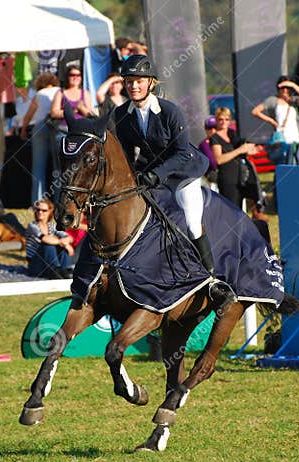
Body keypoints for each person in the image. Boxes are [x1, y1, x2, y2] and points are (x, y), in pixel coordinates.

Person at [113, 54, 235, 308]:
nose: (133, 86)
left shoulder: (170, 111)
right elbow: (126, 152)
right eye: (129, 81)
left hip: (183, 173)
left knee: (191, 223)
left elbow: (181, 153)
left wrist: (155, 174)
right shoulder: (122, 114)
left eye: (139, 81)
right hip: (152, 173)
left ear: (151, 83)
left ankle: (213, 281)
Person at [209, 107, 267, 220]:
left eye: (226, 119)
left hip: (241, 176)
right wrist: (239, 150)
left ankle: (256, 215)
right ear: (216, 120)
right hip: (227, 179)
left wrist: (256, 148)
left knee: (240, 210)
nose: (224, 122)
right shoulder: (215, 138)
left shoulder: (232, 133)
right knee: (231, 211)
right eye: (221, 119)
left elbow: (244, 152)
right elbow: (219, 159)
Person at [20, 73, 60, 203]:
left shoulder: (39, 94)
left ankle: (37, 201)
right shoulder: (59, 91)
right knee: (57, 167)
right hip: (56, 126)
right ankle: (58, 199)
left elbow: (28, 115)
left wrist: (23, 130)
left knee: (38, 167)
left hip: (40, 127)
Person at [252, 75, 299, 163]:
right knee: (285, 163)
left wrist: (293, 85)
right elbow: (255, 111)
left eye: (287, 88)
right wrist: (271, 121)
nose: (285, 90)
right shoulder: (273, 100)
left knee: (296, 162)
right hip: (282, 139)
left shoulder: (292, 101)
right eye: (282, 88)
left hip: (295, 137)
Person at [25, 198, 74, 279]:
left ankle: (66, 269)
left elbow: (69, 237)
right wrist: (64, 244)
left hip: (46, 264)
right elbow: (45, 239)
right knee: (48, 245)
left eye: (44, 210)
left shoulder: (52, 226)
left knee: (59, 245)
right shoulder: (32, 226)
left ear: (50, 212)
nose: (40, 212)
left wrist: (65, 242)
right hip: (35, 266)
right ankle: (54, 269)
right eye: (38, 210)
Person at [198, 116, 219, 187]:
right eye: (209, 128)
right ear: (205, 129)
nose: (212, 130)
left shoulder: (222, 141)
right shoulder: (204, 144)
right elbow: (213, 163)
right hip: (212, 177)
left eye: (215, 127)